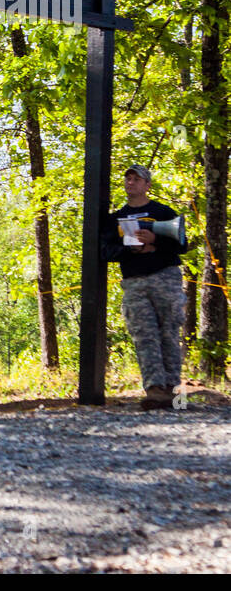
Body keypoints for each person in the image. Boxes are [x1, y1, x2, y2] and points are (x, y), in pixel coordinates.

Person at [101, 164, 189, 410]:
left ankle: (171, 388)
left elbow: (182, 245)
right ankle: (154, 389)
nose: (131, 183)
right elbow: (106, 251)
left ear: (147, 185)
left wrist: (156, 241)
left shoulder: (162, 212)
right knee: (144, 335)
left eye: (137, 179)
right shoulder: (115, 218)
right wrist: (129, 248)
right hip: (134, 283)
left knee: (168, 333)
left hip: (165, 278)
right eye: (128, 179)